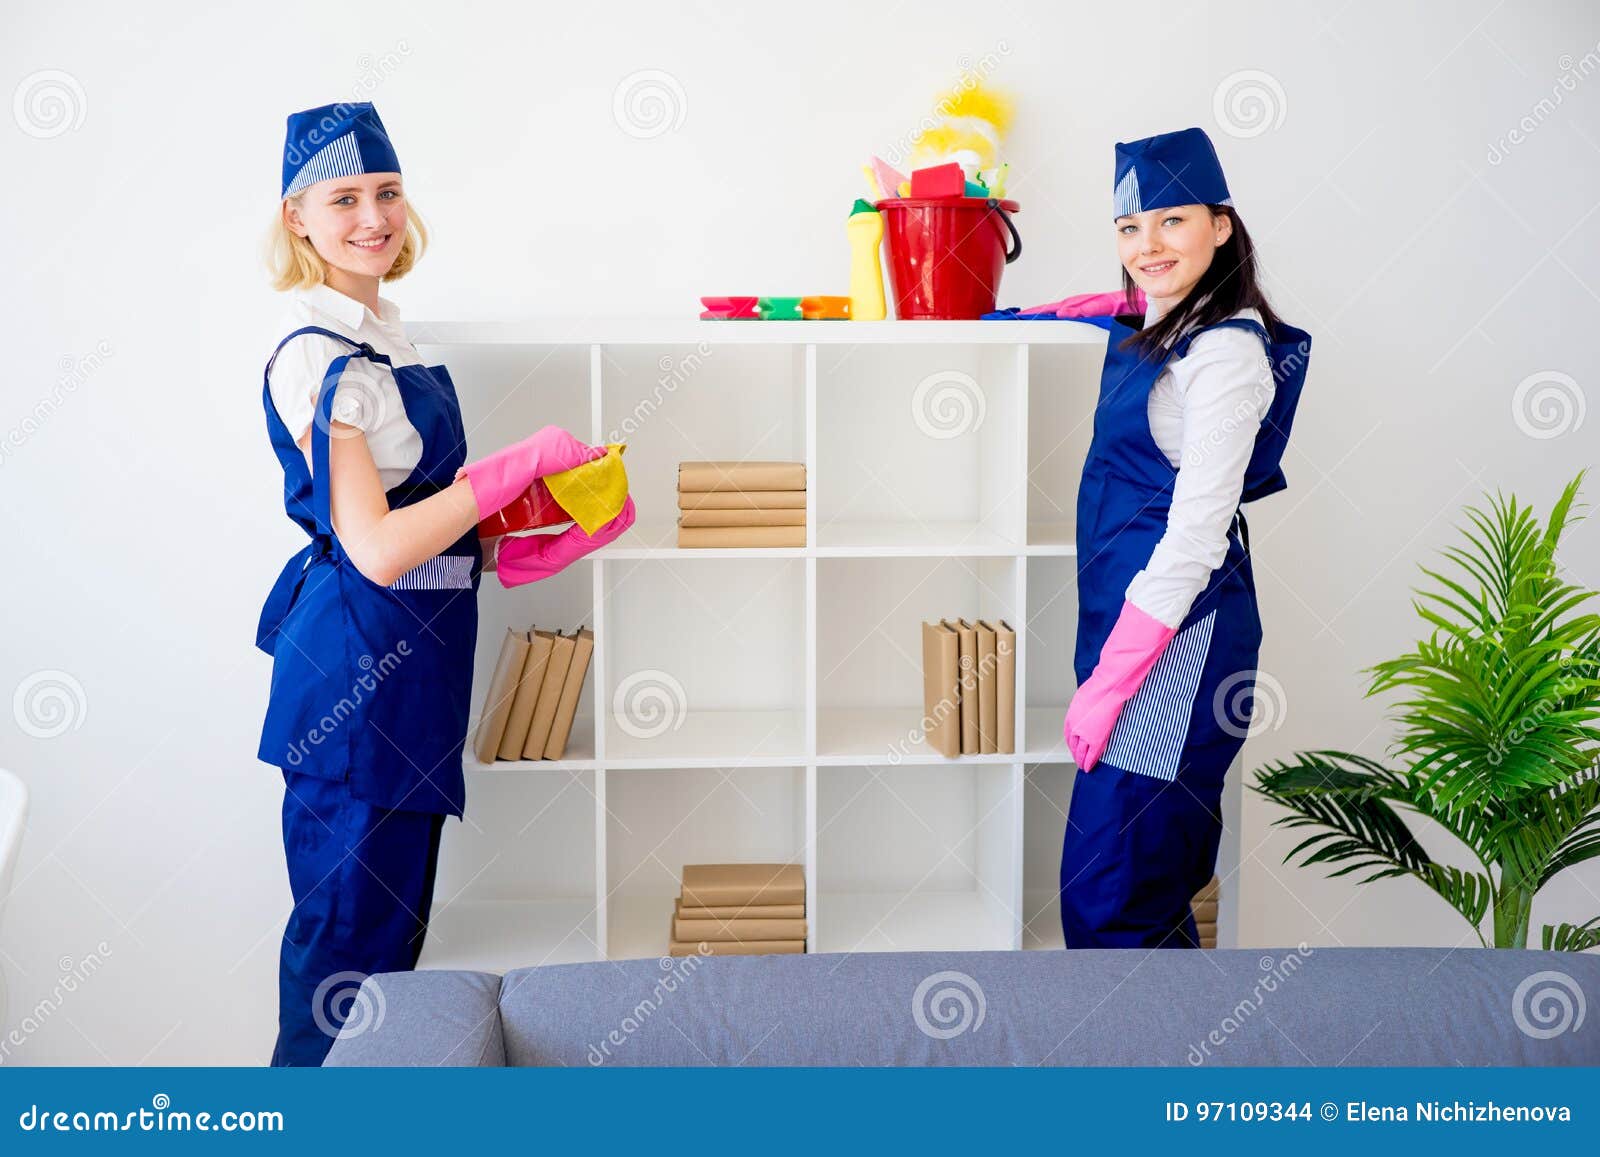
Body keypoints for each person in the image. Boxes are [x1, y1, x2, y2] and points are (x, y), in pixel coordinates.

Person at [255, 102, 634, 1065]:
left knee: (390, 967)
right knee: (344, 969)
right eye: (343, 198)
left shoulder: (389, 336)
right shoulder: (317, 352)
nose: (372, 216)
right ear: (297, 217)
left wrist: (534, 534)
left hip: (413, 688)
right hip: (352, 696)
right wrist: (507, 470)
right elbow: (377, 547)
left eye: (385, 192)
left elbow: (429, 520)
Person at [1058, 126, 1311, 948]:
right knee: (1139, 887)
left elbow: (1195, 534)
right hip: (1135, 631)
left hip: (1177, 644)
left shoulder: (1228, 357)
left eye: (1171, 222)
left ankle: (1145, 1073)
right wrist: (1083, 308)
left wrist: (1111, 682)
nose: (1147, 245)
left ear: (1221, 225)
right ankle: (1164, 1069)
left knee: (1115, 897)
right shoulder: (1167, 330)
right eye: (1130, 228)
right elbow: (1138, 309)